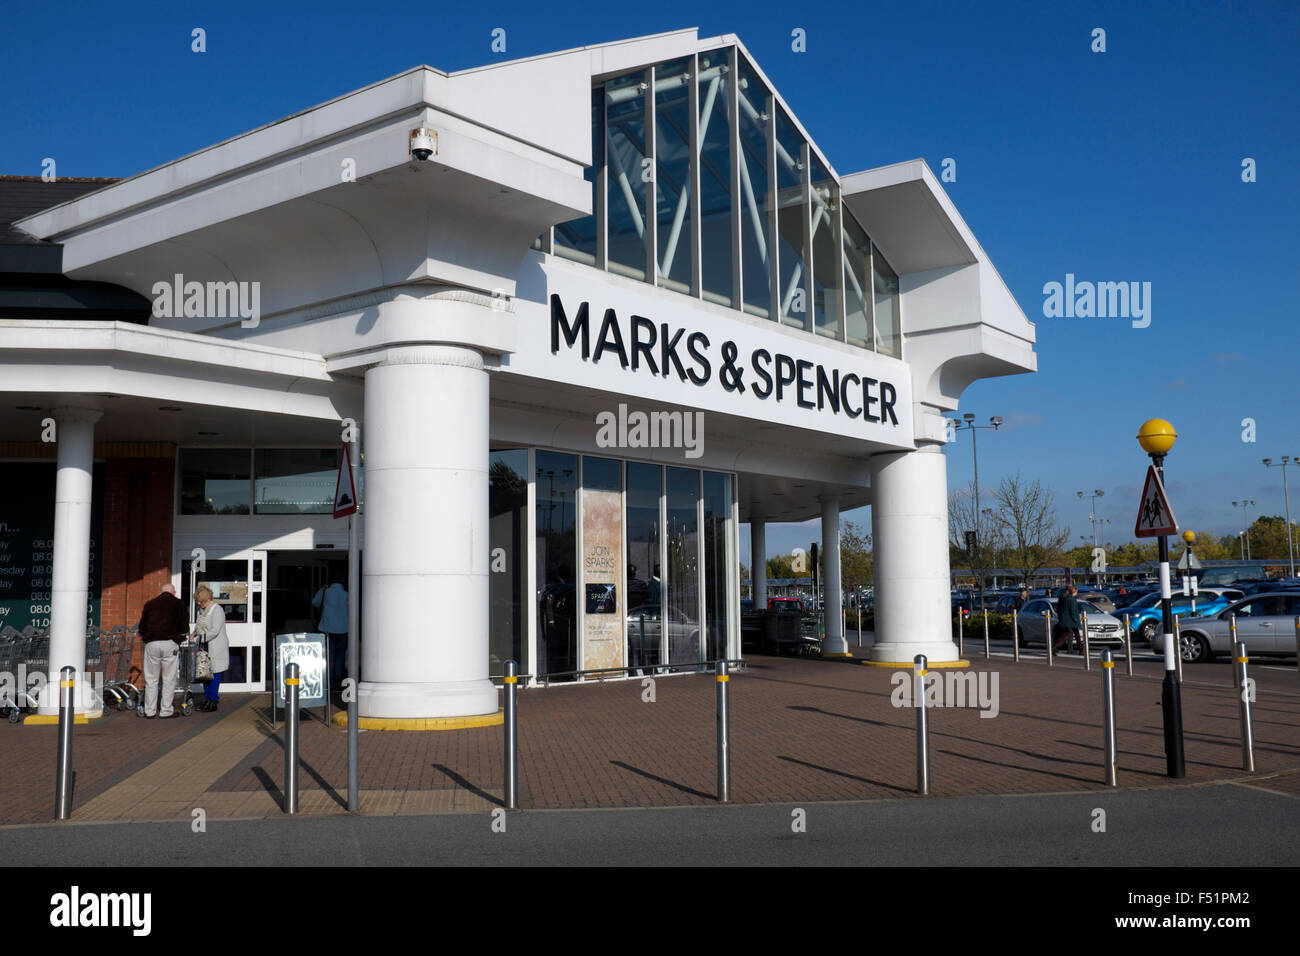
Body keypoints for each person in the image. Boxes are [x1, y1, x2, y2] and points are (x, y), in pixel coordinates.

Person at [137, 584, 188, 718]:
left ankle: (150, 711)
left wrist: (146, 636)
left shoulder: (150, 604)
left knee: (151, 679)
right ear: (174, 592)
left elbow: (142, 627)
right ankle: (166, 710)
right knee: (169, 679)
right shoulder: (179, 604)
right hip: (170, 643)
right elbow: (185, 627)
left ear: (160, 592)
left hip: (152, 643)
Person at [193, 585, 230, 711]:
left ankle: (213, 700)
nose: (199, 604)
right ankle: (207, 699)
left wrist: (201, 638)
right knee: (204, 673)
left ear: (208, 599)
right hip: (204, 646)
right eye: (198, 601)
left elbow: (215, 630)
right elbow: (199, 626)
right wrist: (194, 634)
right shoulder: (201, 611)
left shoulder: (217, 610)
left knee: (214, 673)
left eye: (201, 601)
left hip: (215, 646)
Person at [312, 577, 349, 689]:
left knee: (329, 654)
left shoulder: (326, 591)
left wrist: (321, 590)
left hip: (327, 628)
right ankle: (338, 675)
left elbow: (315, 602)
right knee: (340, 655)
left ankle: (328, 678)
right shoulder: (347, 594)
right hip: (343, 629)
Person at [1055, 584, 1083, 654]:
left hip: (1066, 620)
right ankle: (1080, 649)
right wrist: (1076, 619)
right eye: (1076, 592)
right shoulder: (1072, 600)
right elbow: (1072, 611)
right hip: (1071, 620)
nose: (1077, 593)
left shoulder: (1066, 598)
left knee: (1065, 634)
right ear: (1074, 592)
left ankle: (1056, 646)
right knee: (1076, 635)